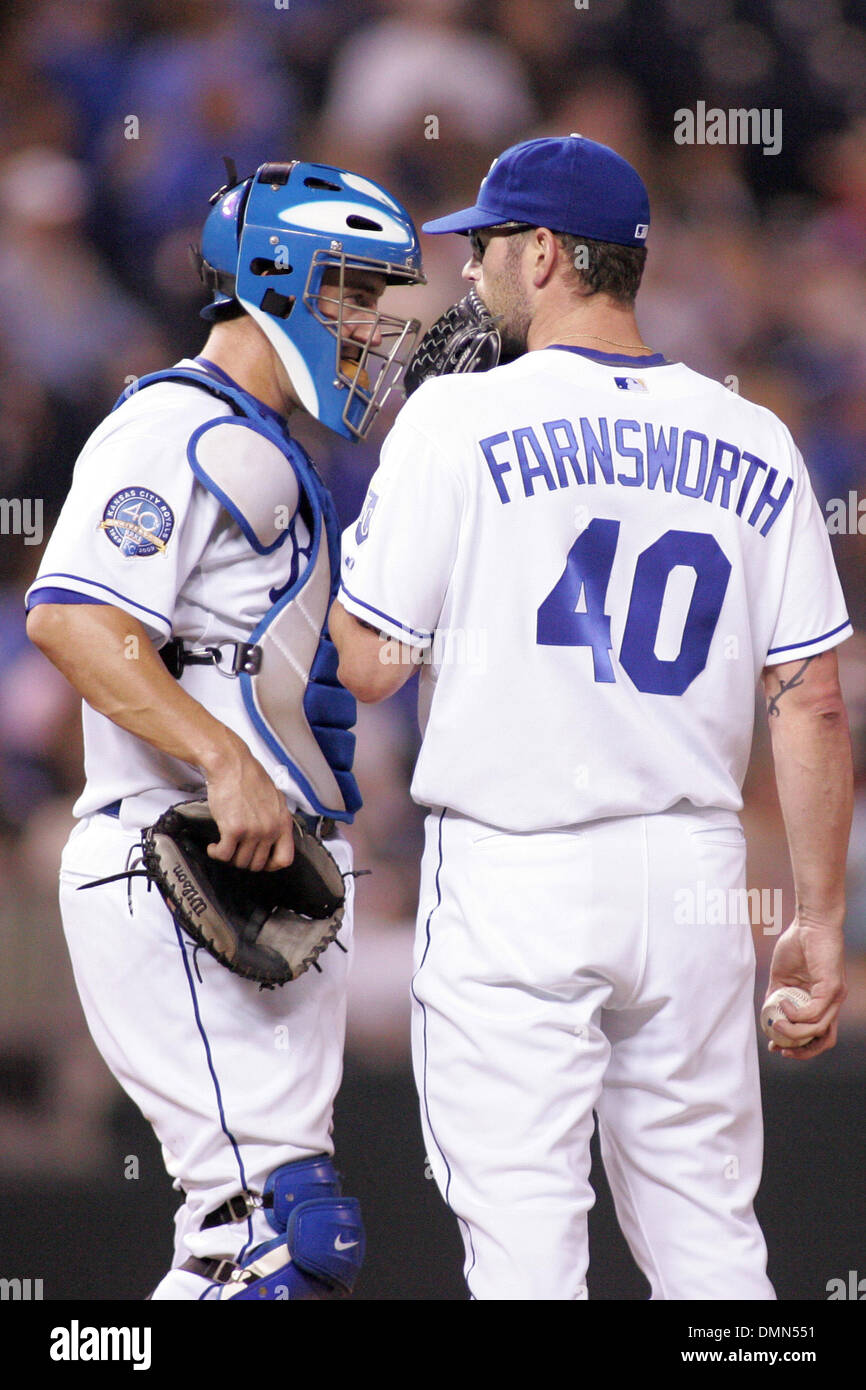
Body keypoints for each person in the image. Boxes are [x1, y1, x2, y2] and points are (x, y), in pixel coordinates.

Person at [329, 135, 854, 1301]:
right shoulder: (754, 434)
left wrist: (380, 488)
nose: (469, 274)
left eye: (486, 249)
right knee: (713, 1246)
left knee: (524, 1251)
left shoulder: (456, 422)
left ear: (547, 252)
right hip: (692, 874)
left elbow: (368, 664)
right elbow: (810, 700)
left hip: (517, 874)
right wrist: (818, 918)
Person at [25, 159, 424, 1300]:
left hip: (256, 872)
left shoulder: (274, 446)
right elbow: (74, 620)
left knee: (244, 1245)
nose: (368, 327)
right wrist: (224, 756)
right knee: (280, 1239)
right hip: (175, 851)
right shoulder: (172, 423)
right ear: (281, 278)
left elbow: (344, 674)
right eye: (354, 292)